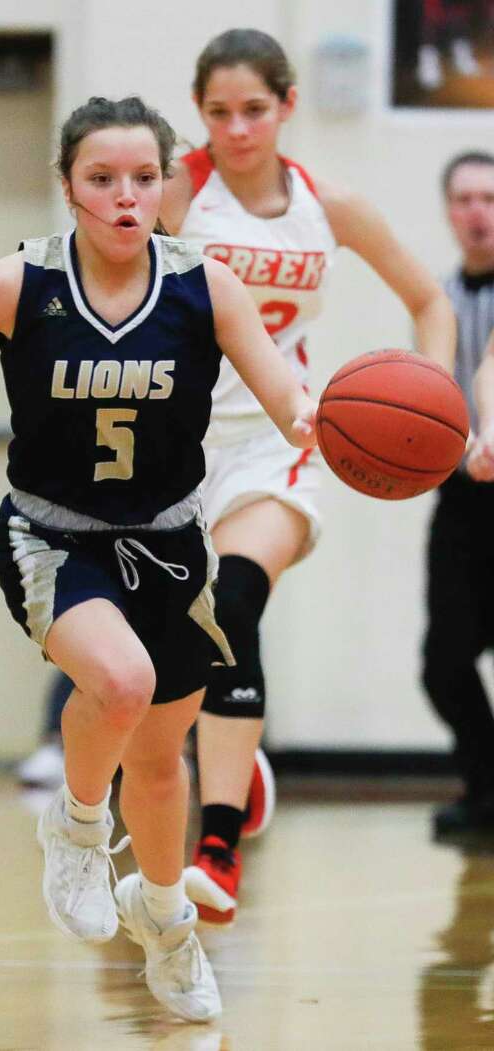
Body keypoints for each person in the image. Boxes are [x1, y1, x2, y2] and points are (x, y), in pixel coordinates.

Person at [0, 94, 316, 1023]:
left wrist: (334, 427)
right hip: (52, 534)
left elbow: (289, 401)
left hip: (170, 540)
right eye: (102, 179)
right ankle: (76, 825)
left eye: (144, 178)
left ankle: (164, 920)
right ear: (67, 188)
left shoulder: (207, 285)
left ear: (169, 184)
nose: (125, 196)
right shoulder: (16, 284)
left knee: (162, 761)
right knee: (119, 682)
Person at [160, 28, 456, 925]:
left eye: (255, 109)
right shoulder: (179, 189)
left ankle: (217, 842)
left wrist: (435, 398)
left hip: (280, 438)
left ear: (288, 106)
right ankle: (234, 760)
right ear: (199, 114)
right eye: (218, 111)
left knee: (232, 603)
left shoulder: (332, 205)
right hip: (174, 444)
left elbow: (429, 299)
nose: (237, 127)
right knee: (169, 652)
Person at [423, 150, 494, 836]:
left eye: (491, 198)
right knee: (443, 662)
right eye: (466, 198)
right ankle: (485, 787)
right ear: (450, 211)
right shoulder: (437, 299)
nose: (479, 212)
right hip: (462, 496)